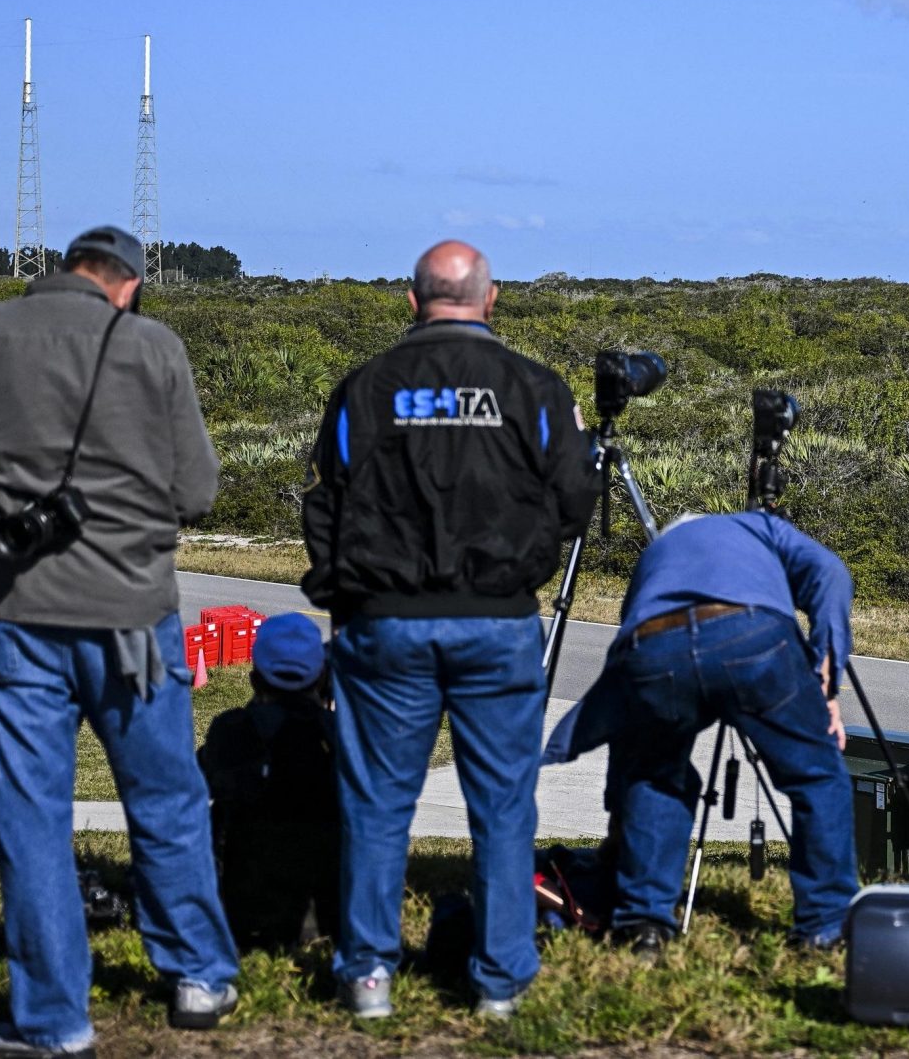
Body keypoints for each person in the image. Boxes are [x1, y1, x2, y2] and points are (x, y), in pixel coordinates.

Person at [0, 224, 237, 1057]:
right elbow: (197, 488)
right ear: (127, 285)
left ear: (63, 274)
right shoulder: (152, 347)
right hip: (128, 614)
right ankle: (197, 974)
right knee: (165, 798)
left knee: (30, 819)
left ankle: (54, 1020)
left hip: (5, 614)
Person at [300, 240, 596, 1021]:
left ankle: (367, 975)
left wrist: (343, 598)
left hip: (386, 623)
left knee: (375, 803)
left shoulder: (363, 389)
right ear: (490, 300)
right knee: (503, 806)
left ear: (412, 300)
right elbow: (575, 498)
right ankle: (500, 983)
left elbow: (323, 503)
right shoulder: (533, 387)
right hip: (498, 624)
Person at [544, 508, 857, 952]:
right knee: (817, 775)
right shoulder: (758, 526)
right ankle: (825, 926)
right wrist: (827, 678)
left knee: (654, 775)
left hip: (655, 643)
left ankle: (644, 924)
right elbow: (830, 574)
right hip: (751, 633)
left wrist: (619, 817)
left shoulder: (655, 557)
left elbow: (628, 706)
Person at [198, 612, 339, 951]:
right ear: (320, 675)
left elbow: (198, 780)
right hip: (325, 910)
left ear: (255, 675)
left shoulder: (233, 729)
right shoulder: (336, 734)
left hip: (241, 908)